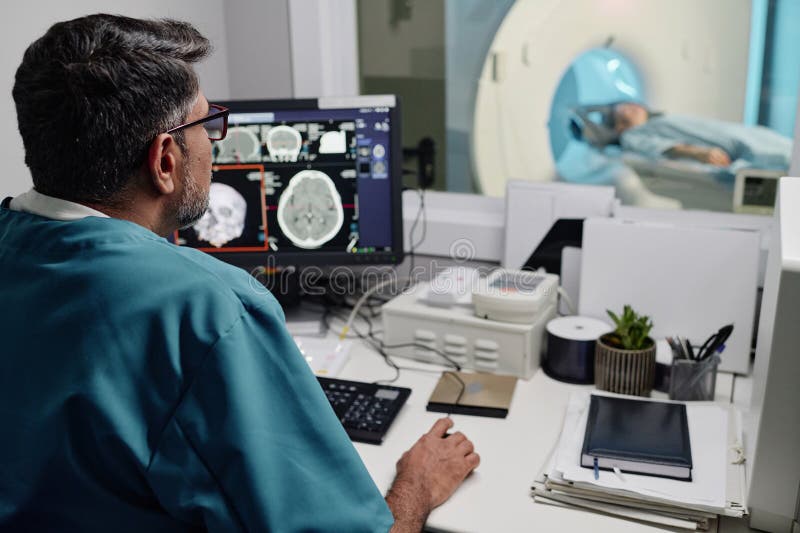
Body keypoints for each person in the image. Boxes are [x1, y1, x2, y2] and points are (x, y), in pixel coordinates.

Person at [0, 14, 478, 532]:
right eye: (207, 125)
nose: (214, 141)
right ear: (165, 160)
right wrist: (417, 484)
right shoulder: (208, 311)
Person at [613, 101, 792, 171]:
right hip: (733, 146)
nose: (633, 107)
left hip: (739, 132)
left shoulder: (660, 118)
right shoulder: (631, 135)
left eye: (631, 104)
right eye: (625, 111)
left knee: (780, 144)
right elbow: (664, 148)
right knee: (777, 156)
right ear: (619, 126)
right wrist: (698, 153)